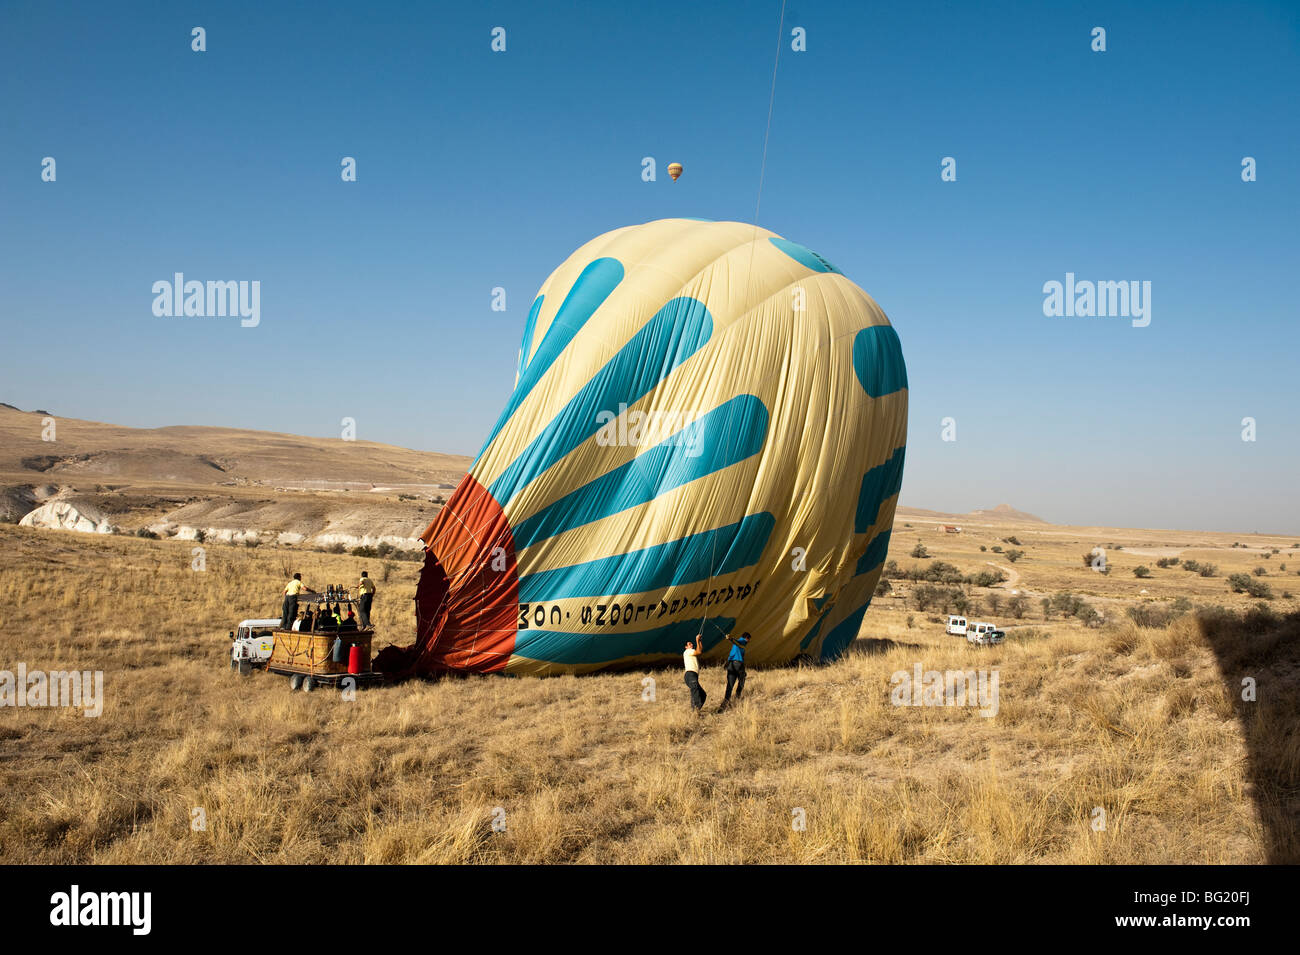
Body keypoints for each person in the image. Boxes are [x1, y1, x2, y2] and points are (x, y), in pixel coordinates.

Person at [721, 631, 750, 708]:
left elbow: (735, 643)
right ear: (746, 638)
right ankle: (737, 697)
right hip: (738, 664)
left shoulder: (737, 645)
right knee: (742, 680)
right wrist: (730, 638)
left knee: (730, 684)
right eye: (749, 639)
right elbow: (737, 642)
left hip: (730, 665)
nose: (749, 641)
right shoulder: (742, 641)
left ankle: (726, 701)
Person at [682, 637, 707, 713]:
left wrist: (699, 641)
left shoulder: (690, 651)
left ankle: (695, 711)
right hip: (690, 674)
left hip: (692, 675)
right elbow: (698, 652)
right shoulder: (688, 651)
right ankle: (695, 712)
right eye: (689, 644)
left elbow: (700, 650)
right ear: (686, 647)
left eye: (691, 643)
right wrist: (697, 640)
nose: (691, 644)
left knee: (702, 695)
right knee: (696, 693)